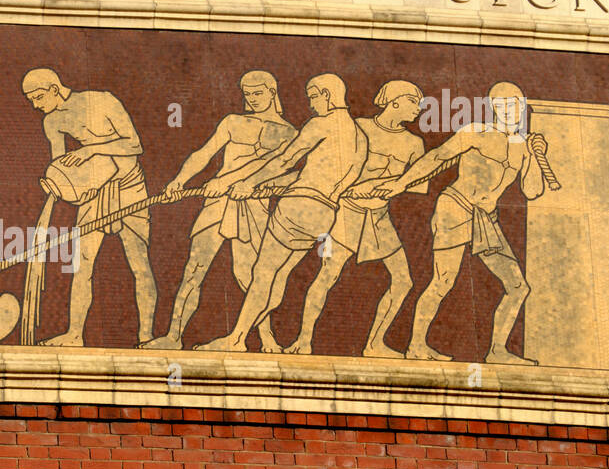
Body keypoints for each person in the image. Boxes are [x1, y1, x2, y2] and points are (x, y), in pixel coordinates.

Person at [376, 82, 546, 365]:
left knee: (518, 287)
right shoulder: (476, 132)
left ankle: (497, 352)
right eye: (501, 105)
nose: (508, 111)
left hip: (485, 220)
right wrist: (400, 184)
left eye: (514, 104)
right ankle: (416, 345)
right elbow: (437, 157)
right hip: (455, 208)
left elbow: (532, 191)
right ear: (492, 108)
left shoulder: (521, 145)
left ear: (523, 106)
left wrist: (536, 156)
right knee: (442, 281)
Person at [196, 74, 366, 352]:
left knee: (263, 273)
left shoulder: (321, 124)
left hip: (297, 206)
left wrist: (248, 183)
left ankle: (236, 339)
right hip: (324, 215)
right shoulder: (360, 136)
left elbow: (286, 160)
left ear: (327, 95)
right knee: (281, 274)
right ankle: (249, 336)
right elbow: (337, 180)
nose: (311, 105)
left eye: (313, 97)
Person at [142, 70, 296, 351]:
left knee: (250, 274)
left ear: (272, 92)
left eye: (258, 93)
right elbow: (204, 153)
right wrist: (179, 181)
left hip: (253, 207)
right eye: (248, 94)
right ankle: (174, 337)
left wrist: (243, 184)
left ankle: (266, 337)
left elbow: (289, 174)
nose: (253, 99)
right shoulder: (233, 122)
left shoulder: (289, 133)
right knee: (195, 269)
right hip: (218, 203)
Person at [286, 80, 425, 358]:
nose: (418, 109)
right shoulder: (358, 127)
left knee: (403, 281)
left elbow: (417, 187)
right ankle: (303, 342)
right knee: (328, 274)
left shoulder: (414, 143)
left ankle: (374, 345)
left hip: (378, 219)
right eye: (413, 102)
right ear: (394, 101)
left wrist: (387, 183)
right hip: (346, 215)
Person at [21, 68, 156, 346]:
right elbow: (61, 165)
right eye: (31, 100)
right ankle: (74, 334)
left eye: (38, 97)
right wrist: (56, 184)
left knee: (140, 264)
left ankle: (146, 337)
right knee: (81, 265)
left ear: (54, 89)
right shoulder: (52, 121)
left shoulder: (102, 101)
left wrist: (91, 149)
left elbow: (134, 144)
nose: (36, 105)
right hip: (94, 192)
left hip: (129, 185)